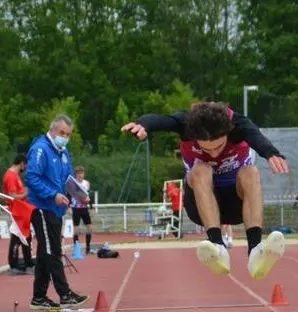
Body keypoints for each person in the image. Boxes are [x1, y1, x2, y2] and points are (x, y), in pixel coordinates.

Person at [121, 101, 289, 278]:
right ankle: (217, 246)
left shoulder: (238, 124)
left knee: (251, 172)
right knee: (201, 169)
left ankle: (255, 250)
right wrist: (143, 124)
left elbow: (256, 136)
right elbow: (163, 120)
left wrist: (271, 153)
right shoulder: (186, 123)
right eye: (206, 148)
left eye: (218, 147)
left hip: (237, 204)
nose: (214, 154)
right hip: (200, 205)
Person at [24, 115, 89, 310]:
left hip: (56, 209)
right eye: (62, 133)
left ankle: (39, 297)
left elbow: (67, 178)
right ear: (52, 130)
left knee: (45, 252)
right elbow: (31, 178)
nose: (65, 137)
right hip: (42, 207)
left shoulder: (63, 151)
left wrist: (79, 194)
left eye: (68, 134)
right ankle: (64, 294)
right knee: (52, 251)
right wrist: (53, 195)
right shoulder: (40, 149)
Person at [2, 153, 34, 275]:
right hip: (17, 210)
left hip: (21, 209)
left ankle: (27, 263)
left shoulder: (15, 175)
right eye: (25, 165)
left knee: (25, 237)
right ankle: (15, 264)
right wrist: (26, 194)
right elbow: (12, 196)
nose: (25, 168)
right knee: (18, 237)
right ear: (21, 163)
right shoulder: (11, 176)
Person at [70, 165, 94, 253]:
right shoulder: (72, 183)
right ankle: (77, 249)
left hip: (84, 208)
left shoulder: (86, 183)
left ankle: (88, 248)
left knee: (90, 228)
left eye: (82, 173)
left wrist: (91, 208)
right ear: (76, 175)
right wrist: (68, 207)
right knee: (76, 230)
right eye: (78, 173)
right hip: (75, 208)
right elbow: (69, 195)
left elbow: (88, 195)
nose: (80, 175)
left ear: (84, 174)